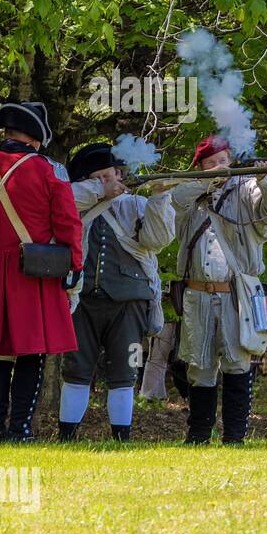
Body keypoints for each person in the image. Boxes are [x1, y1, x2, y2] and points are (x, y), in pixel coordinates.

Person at [0, 102, 83, 441]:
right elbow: (68, 226)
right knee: (31, 351)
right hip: (33, 272)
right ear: (36, 139)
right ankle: (20, 429)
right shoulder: (49, 171)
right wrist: (74, 269)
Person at [168, 135, 267, 443]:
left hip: (237, 295)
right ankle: (197, 435)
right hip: (197, 294)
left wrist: (266, 179)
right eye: (211, 163)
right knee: (200, 367)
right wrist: (209, 181)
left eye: (223, 161)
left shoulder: (248, 188)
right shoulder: (193, 195)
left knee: (237, 363)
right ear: (201, 168)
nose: (219, 167)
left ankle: (235, 436)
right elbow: (175, 200)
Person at [59, 143, 176, 440]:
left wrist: (160, 196)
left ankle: (121, 437)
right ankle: (67, 435)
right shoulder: (72, 201)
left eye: (110, 175)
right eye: (98, 178)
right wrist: (100, 191)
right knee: (76, 369)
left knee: (125, 373)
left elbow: (157, 240)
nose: (107, 182)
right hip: (81, 301)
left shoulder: (135, 204)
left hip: (129, 302)